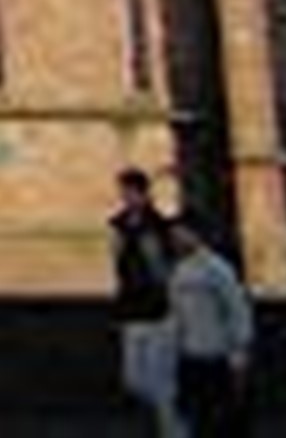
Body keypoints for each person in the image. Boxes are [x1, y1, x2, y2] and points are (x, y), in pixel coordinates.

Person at [165, 216, 254, 437]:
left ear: (196, 234)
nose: (176, 239)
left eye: (181, 234)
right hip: (189, 355)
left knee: (224, 419)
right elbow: (177, 314)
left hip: (217, 355)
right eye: (174, 236)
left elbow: (237, 309)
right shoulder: (178, 270)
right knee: (197, 417)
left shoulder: (217, 268)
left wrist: (239, 352)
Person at [111, 167, 183, 434]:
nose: (125, 196)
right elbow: (119, 264)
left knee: (161, 381)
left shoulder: (158, 226)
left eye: (129, 191)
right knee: (134, 380)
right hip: (131, 309)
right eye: (123, 191)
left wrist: (170, 299)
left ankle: (174, 431)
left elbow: (163, 269)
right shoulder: (119, 224)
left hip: (158, 310)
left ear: (142, 193)